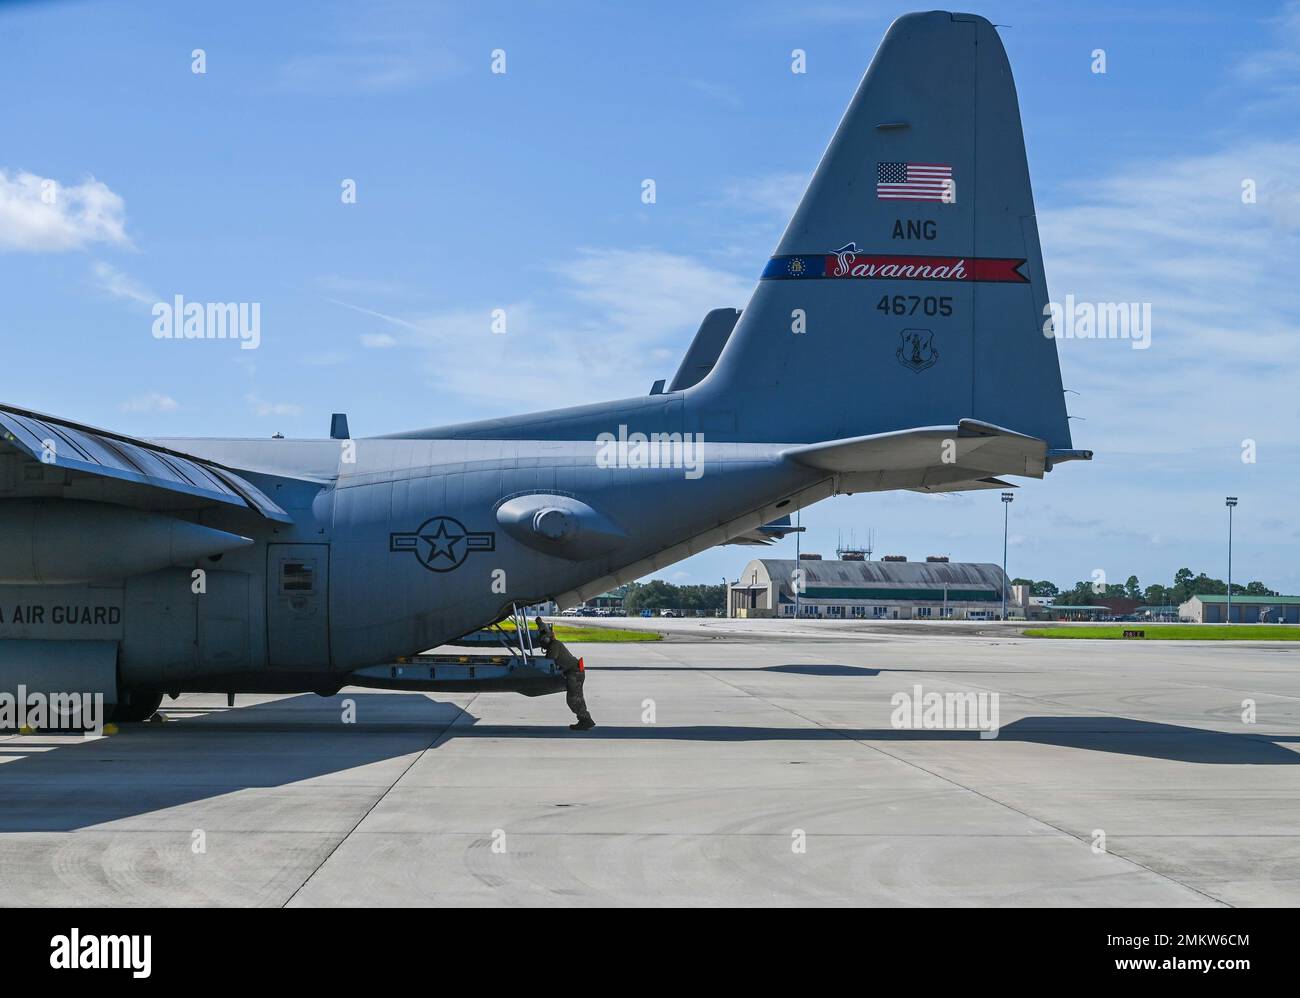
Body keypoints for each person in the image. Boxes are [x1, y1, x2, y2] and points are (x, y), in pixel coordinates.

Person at [534, 617, 594, 731]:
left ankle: (586, 720)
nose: (542, 642)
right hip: (575, 671)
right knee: (575, 698)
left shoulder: (554, 645)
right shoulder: (554, 644)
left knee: (574, 698)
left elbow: (549, 661)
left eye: (543, 640)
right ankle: (585, 719)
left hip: (574, 672)